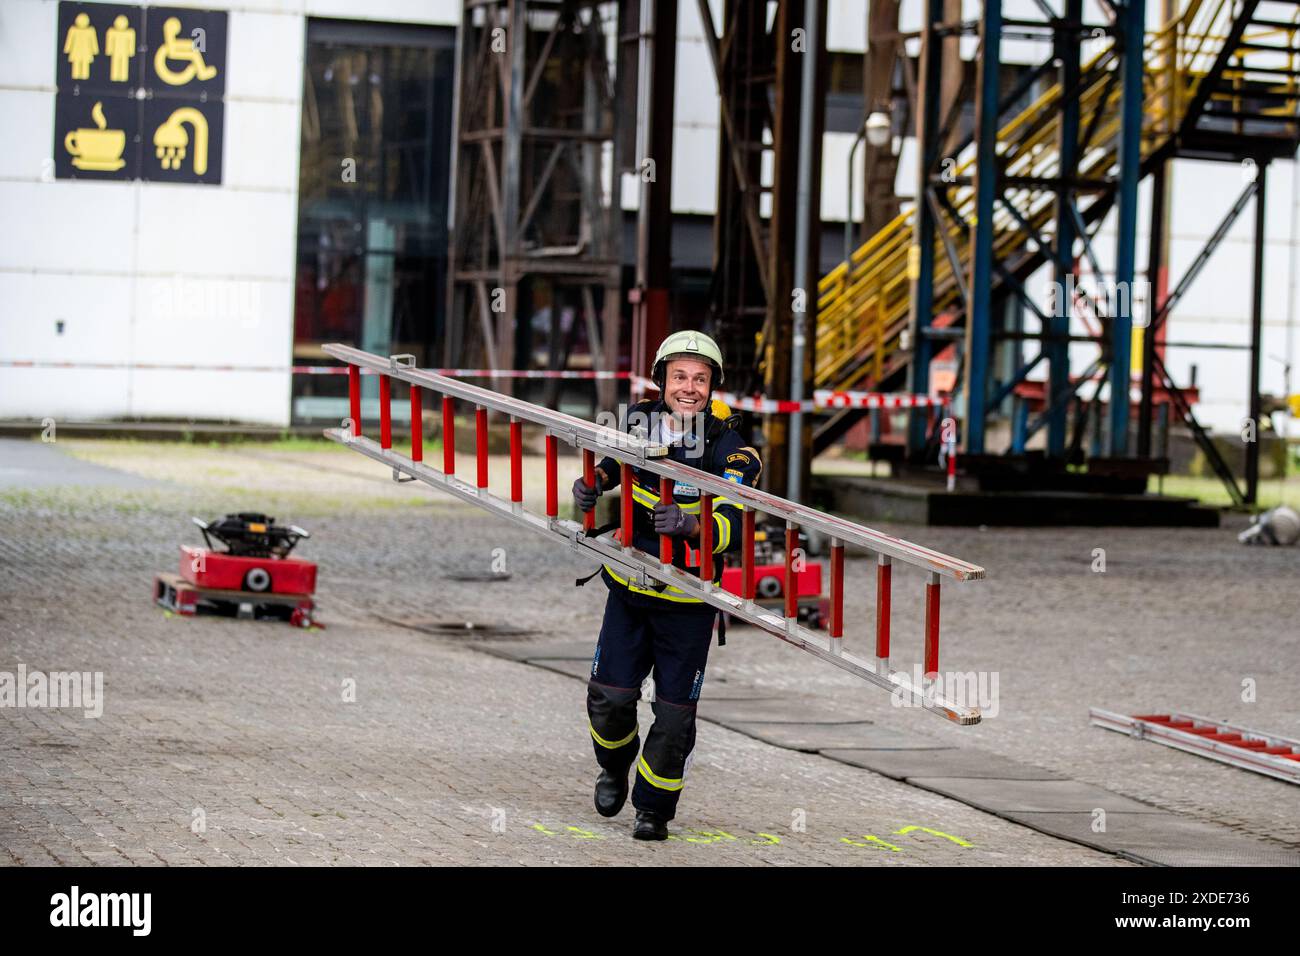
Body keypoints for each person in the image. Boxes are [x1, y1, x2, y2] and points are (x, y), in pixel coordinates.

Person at [572, 330, 762, 840]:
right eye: (679, 376)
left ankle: (653, 809)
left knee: (674, 719)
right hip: (629, 585)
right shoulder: (639, 420)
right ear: (661, 381)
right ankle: (613, 767)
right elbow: (616, 462)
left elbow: (735, 523)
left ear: (713, 386)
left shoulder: (735, 451)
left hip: (688, 602)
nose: (689, 387)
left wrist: (695, 527)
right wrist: (596, 481)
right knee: (610, 699)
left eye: (700, 379)